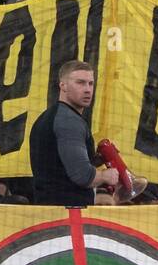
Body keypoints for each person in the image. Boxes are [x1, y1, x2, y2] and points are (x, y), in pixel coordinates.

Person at [29, 60, 143, 205]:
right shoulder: (69, 121)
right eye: (80, 83)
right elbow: (82, 176)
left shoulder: (53, 116)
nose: (88, 89)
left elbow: (59, 168)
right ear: (62, 85)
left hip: (51, 211)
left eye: (90, 83)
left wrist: (94, 161)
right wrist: (105, 176)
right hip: (67, 213)